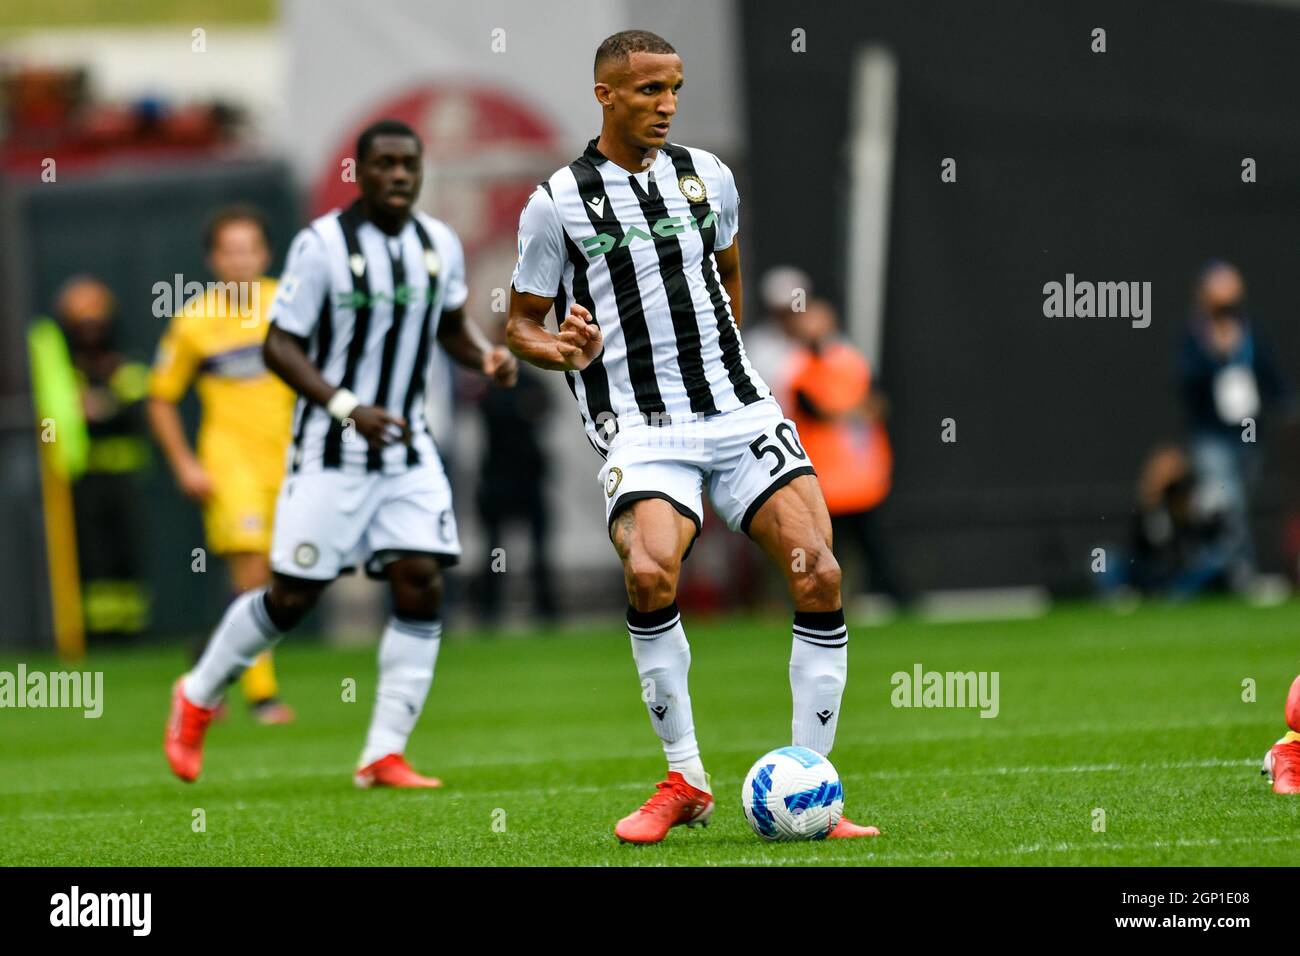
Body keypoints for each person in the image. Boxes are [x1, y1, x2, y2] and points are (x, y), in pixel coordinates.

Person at [507, 30, 879, 843]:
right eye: (647, 91)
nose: (666, 104)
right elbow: (517, 325)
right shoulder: (556, 202)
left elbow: (730, 266)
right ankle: (685, 776)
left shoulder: (708, 176)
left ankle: (814, 786)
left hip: (738, 409)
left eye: (673, 88)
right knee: (648, 570)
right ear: (605, 95)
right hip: (642, 425)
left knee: (818, 569)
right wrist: (558, 346)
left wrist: (728, 353)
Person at [164, 118, 518, 787]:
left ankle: (382, 751)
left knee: (421, 578)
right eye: (383, 164)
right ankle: (199, 691)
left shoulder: (438, 243)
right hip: (330, 449)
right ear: (360, 172)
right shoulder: (321, 245)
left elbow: (449, 328)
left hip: (408, 450)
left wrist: (489, 357)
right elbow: (280, 345)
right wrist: (345, 406)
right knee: (292, 598)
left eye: (408, 164)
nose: (397, 176)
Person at [148, 205, 297, 724]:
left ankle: (210, 660)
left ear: (265, 253)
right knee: (253, 570)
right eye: (229, 250)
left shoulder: (288, 303)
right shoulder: (195, 320)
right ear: (214, 258)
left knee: (286, 578)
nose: (240, 259)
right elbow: (160, 396)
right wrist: (185, 463)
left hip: (288, 460)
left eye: (249, 248)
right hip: (229, 462)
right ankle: (263, 695)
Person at [783, 298, 906, 606]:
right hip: (823, 477)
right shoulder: (797, 367)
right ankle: (827, 599)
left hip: (861, 473)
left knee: (872, 543)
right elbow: (812, 410)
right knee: (825, 546)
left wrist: (850, 413)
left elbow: (877, 404)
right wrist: (851, 412)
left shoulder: (851, 361)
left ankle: (891, 595)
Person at [50, 277, 153, 640]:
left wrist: (103, 404)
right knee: (92, 557)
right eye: (82, 323)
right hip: (82, 476)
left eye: (96, 321)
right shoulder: (63, 370)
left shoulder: (125, 362)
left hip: (124, 477)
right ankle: (97, 634)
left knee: (125, 553)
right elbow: (59, 414)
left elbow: (135, 402)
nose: (90, 330)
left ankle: (132, 631)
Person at [1177, 261, 1288, 590]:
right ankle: (1239, 575)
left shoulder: (1250, 332)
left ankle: (1211, 573)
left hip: (1247, 434)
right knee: (1229, 504)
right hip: (1212, 437)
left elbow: (1269, 374)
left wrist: (1287, 404)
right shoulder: (1195, 336)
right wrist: (1216, 355)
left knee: (1237, 504)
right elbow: (1186, 383)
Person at [470, 320, 558, 625]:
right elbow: (499, 410)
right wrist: (518, 409)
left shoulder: (529, 378)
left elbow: (544, 405)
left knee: (539, 549)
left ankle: (545, 610)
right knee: (494, 550)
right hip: (497, 478)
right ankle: (489, 610)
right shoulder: (489, 382)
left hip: (528, 476)